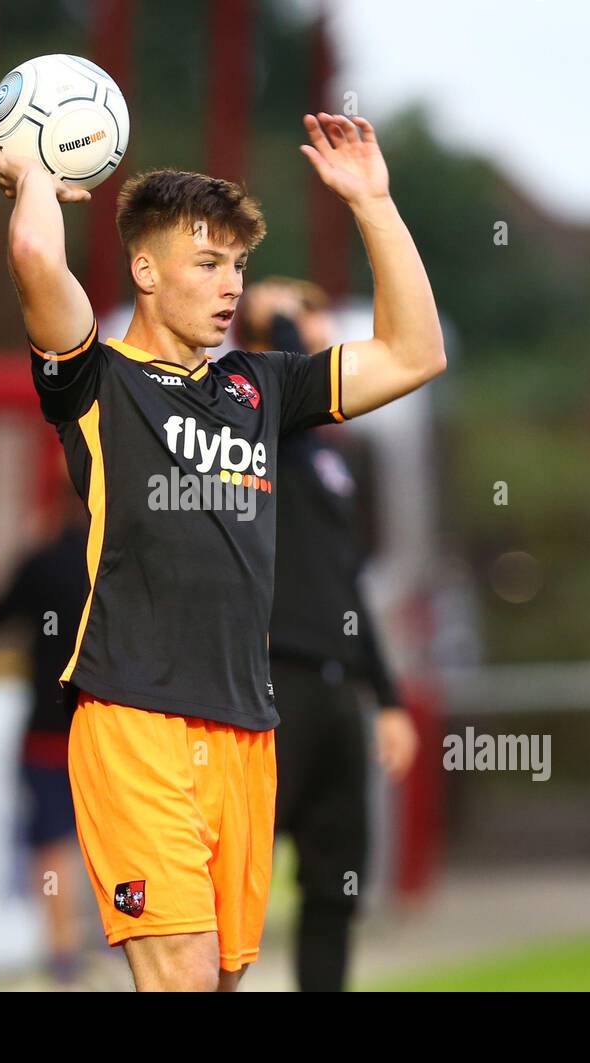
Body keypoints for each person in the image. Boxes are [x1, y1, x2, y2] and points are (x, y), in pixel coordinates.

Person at [0, 110, 445, 990]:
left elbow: (415, 353)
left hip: (246, 729)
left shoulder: (262, 387)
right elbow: (39, 262)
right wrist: (36, 176)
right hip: (135, 717)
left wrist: (374, 204)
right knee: (185, 975)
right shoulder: (98, 378)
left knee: (218, 981)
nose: (232, 284)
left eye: (238, 264)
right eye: (208, 263)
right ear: (146, 271)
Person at [239, 277, 420, 991]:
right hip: (273, 678)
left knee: (335, 880)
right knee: (237, 878)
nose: (316, 325)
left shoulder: (329, 454)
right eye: (302, 315)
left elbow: (349, 582)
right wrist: (275, 319)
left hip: (339, 685)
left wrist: (388, 696)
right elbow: (286, 381)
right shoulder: (250, 414)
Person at [0, 488, 88, 986]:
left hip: (49, 724)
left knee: (52, 841)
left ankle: (62, 948)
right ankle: (124, 934)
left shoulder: (42, 560)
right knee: (109, 836)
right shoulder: (118, 565)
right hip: (110, 724)